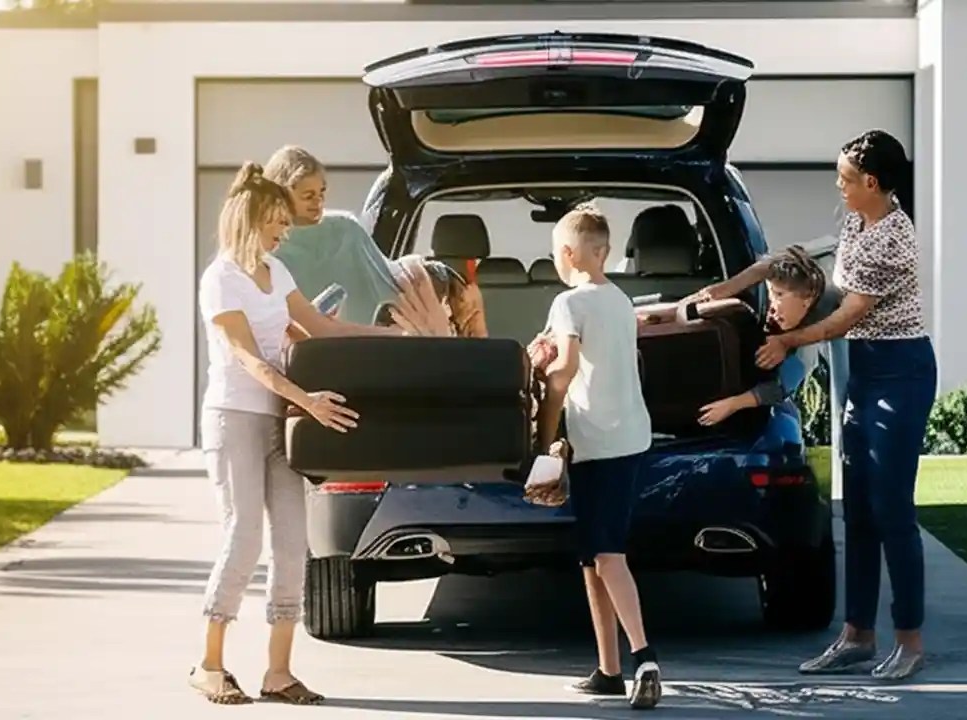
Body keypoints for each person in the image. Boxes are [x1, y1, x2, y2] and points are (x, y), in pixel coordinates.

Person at [190, 162, 443, 705]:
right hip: (236, 415)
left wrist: (389, 337)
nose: (286, 233)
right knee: (243, 536)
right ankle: (209, 663)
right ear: (251, 219)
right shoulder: (221, 278)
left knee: (291, 542)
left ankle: (277, 673)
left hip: (282, 417)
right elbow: (247, 357)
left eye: (286, 223)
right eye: (277, 223)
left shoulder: (276, 274)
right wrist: (307, 401)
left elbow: (320, 329)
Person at [706, 130, 935, 681]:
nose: (839, 186)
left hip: (902, 374)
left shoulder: (893, 240)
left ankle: (909, 641)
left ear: (872, 183)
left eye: (846, 178)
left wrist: (787, 340)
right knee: (855, 511)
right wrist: (734, 284)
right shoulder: (858, 220)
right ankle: (856, 635)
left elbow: (841, 318)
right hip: (866, 370)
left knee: (893, 513)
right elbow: (802, 265)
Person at [534, 205, 662, 710]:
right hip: (630, 438)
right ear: (604, 251)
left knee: (608, 556)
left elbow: (562, 370)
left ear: (567, 254)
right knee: (592, 558)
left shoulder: (569, 303)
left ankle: (644, 657)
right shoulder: (619, 301)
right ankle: (607, 669)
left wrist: (546, 431)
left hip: (598, 446)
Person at [264, 145, 486, 336]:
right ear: (281, 194)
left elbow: (383, 277)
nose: (318, 202)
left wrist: (436, 277)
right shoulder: (264, 249)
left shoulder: (345, 229)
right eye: (308, 196)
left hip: (367, 349)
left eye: (322, 193)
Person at [691, 246, 842, 430]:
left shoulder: (823, 319)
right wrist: (725, 288)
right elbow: (766, 268)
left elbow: (780, 388)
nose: (772, 306)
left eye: (778, 295)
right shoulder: (783, 274)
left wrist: (731, 405)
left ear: (807, 299)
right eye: (771, 293)